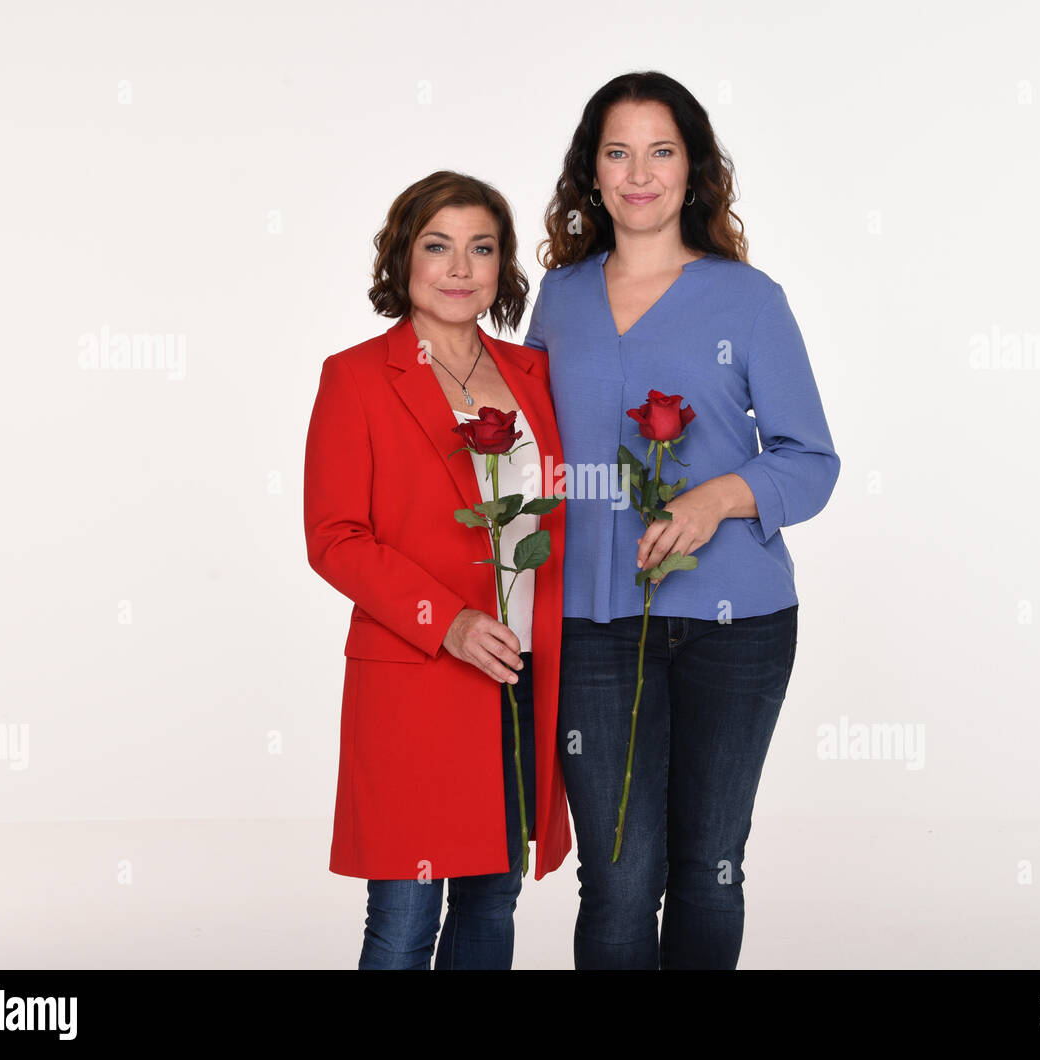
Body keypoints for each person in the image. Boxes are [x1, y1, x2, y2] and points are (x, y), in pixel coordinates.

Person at [523, 71, 841, 969]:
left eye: (660, 151)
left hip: (735, 626)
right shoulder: (560, 298)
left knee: (709, 867)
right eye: (617, 152)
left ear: (693, 169)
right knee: (618, 875)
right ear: (592, 172)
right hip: (593, 623)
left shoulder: (750, 299)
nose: (639, 173)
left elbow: (810, 461)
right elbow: (533, 448)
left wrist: (714, 498)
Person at [303, 170, 571, 969]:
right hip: (417, 676)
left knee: (492, 904)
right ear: (403, 259)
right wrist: (446, 622)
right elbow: (335, 537)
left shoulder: (533, 376)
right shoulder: (354, 377)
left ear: (502, 266)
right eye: (438, 246)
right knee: (404, 919)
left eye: (481, 248)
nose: (460, 267)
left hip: (524, 674)